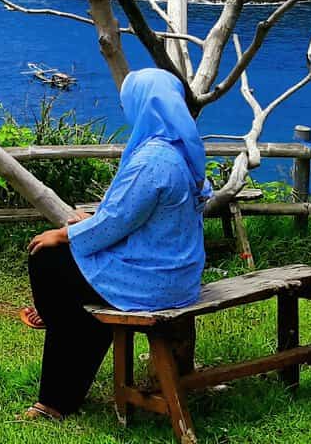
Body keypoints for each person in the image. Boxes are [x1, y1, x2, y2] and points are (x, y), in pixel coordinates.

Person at [19, 67, 210, 422]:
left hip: (151, 282)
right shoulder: (184, 152)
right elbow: (137, 215)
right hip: (179, 277)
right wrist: (88, 221)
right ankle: (59, 373)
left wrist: (62, 233)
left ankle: (54, 395)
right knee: (77, 303)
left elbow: (116, 222)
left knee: (45, 256)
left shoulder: (152, 160)